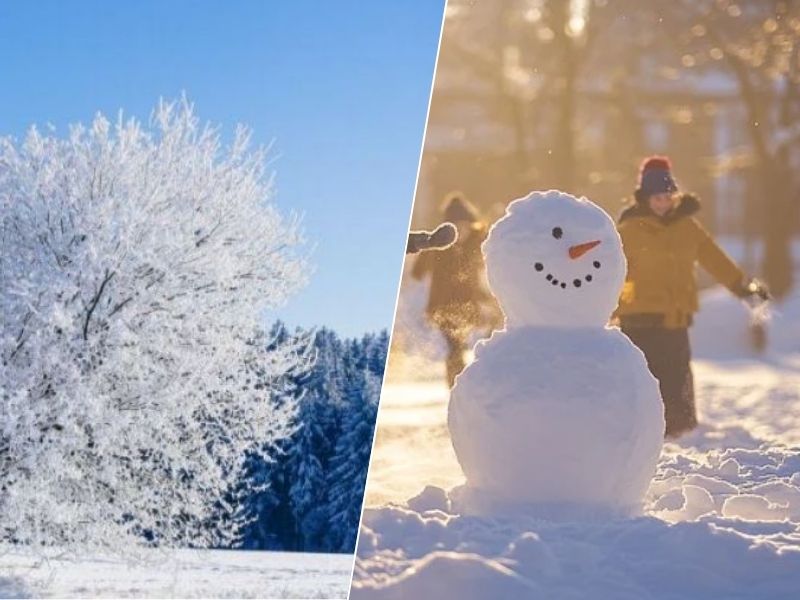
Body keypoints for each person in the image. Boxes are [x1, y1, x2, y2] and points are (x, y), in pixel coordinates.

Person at [615, 156, 769, 438]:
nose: (663, 203)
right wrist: (600, 304)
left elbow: (714, 259)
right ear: (645, 197)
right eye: (657, 198)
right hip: (638, 317)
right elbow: (612, 270)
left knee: (677, 374)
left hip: (675, 316)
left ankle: (681, 429)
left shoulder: (687, 228)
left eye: (667, 197)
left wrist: (742, 286)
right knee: (641, 376)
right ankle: (637, 430)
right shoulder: (628, 230)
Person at [411, 192, 500, 387]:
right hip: (443, 305)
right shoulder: (438, 246)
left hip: (469, 304)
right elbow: (417, 272)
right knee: (456, 347)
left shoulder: (474, 245)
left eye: (465, 227)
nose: (461, 232)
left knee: (486, 332)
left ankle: (471, 381)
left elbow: (490, 259)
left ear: (471, 226)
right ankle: (456, 386)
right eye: (456, 228)